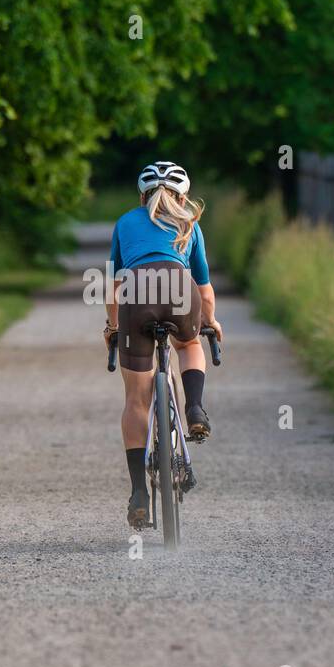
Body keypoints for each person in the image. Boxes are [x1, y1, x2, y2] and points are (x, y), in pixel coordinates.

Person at [104, 161, 223, 530]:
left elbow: (113, 286)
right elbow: (203, 288)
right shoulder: (190, 223)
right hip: (179, 288)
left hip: (137, 293)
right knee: (188, 344)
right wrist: (210, 322)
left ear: (141, 195)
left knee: (136, 400)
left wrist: (112, 326)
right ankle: (196, 410)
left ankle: (140, 493)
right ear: (183, 196)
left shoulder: (125, 223)